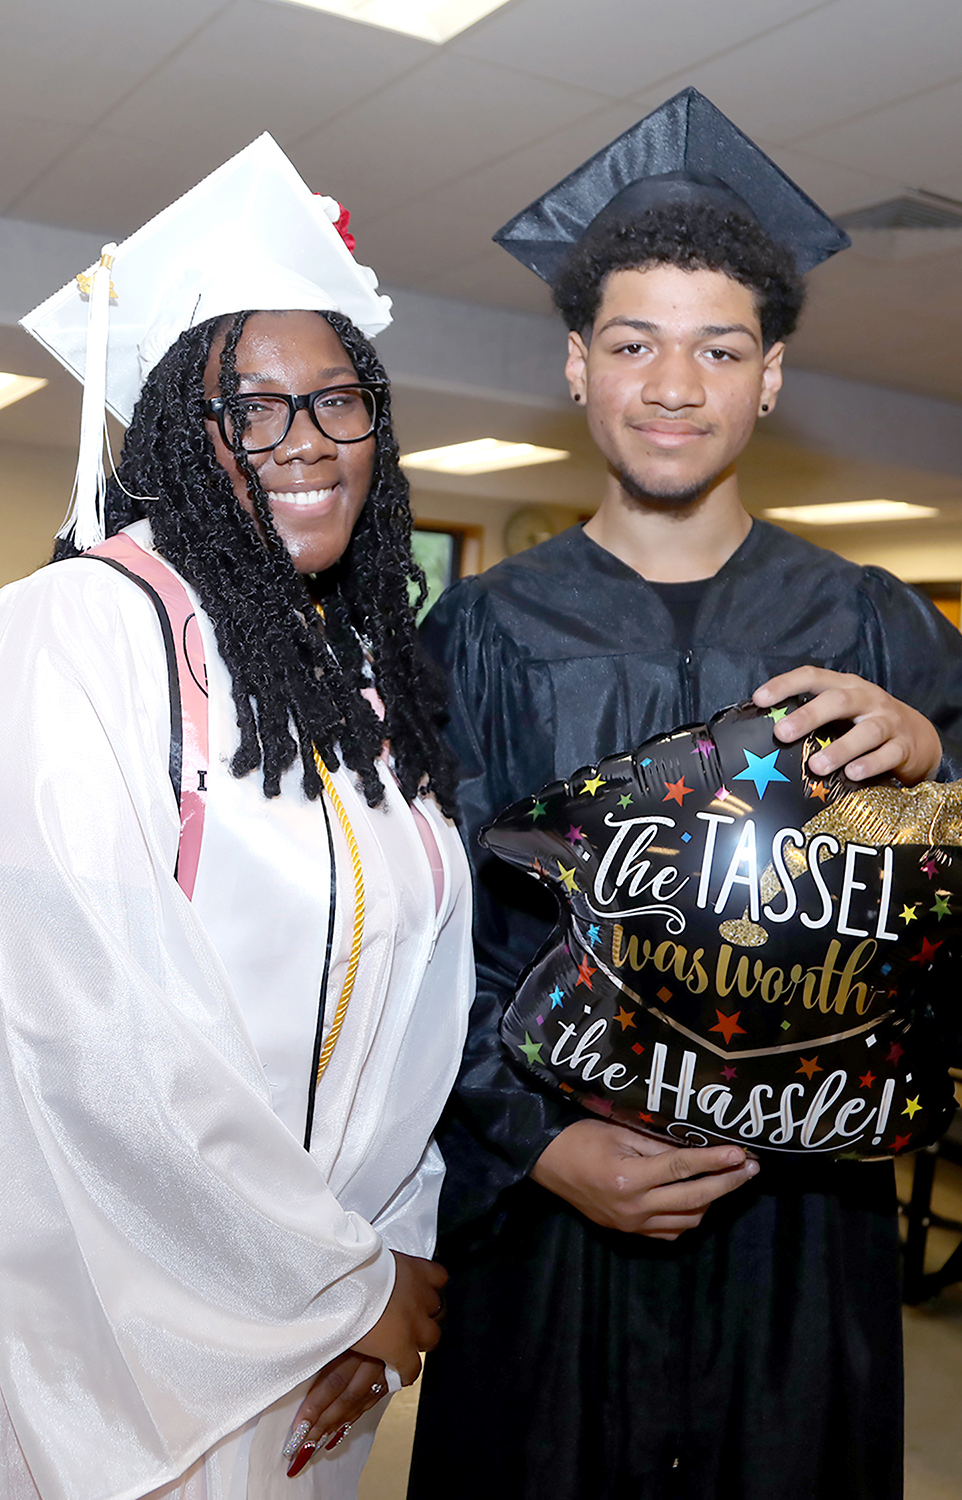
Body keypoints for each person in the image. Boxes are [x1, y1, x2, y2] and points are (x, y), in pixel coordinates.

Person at [408, 89, 962, 1500]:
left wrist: (937, 779)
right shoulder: (473, 635)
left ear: (770, 377)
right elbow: (410, 944)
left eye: (719, 349)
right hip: (552, 1218)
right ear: (576, 366)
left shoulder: (878, 625)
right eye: (635, 344)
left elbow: (932, 941)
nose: (674, 385)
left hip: (802, 1228)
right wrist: (536, 1150)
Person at [0, 135, 473, 1500]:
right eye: (247, 409)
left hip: (327, 1339)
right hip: (119, 1343)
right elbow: (88, 1032)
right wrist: (342, 1283)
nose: (303, 443)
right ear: (170, 443)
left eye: (335, 399)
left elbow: (417, 1002)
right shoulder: (73, 635)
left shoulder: (358, 678)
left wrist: (398, 1249)